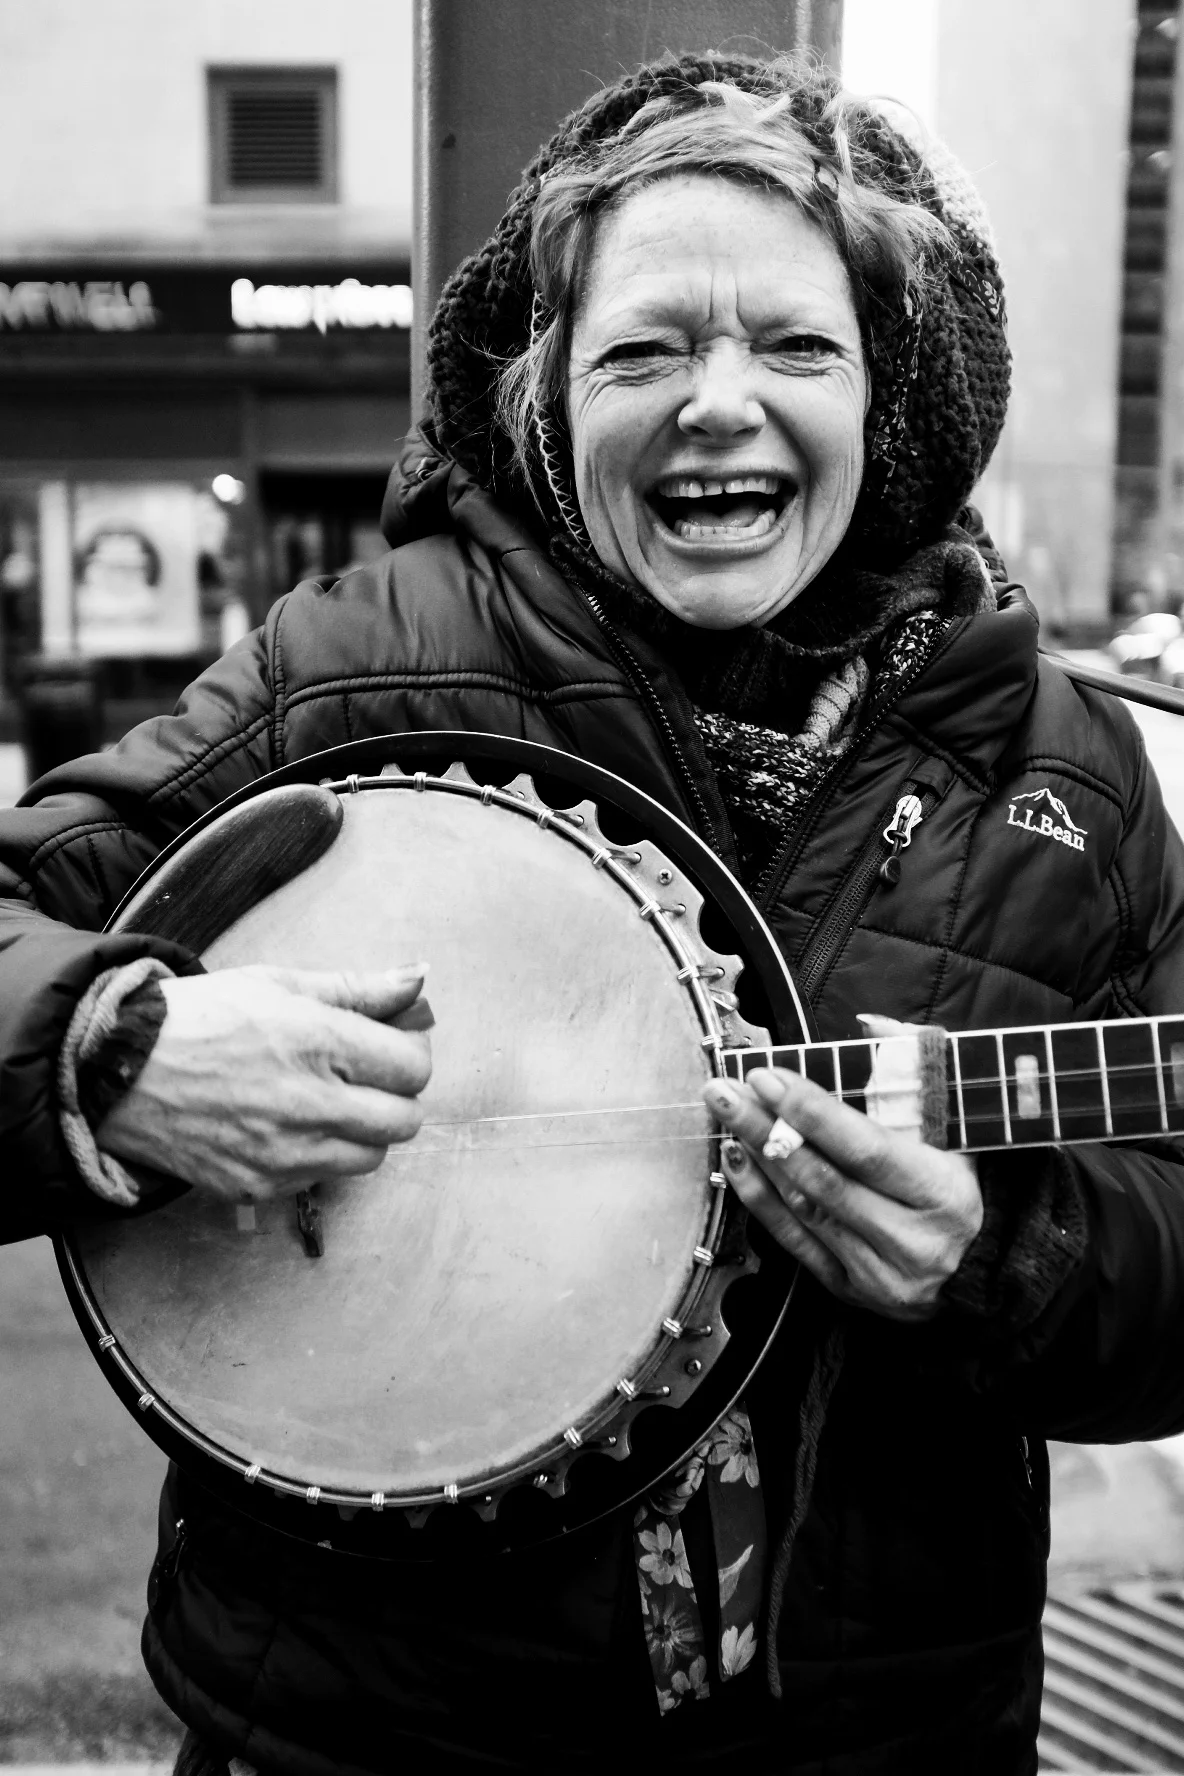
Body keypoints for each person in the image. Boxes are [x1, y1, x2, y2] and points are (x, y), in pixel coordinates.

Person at [4, 52, 1184, 1776]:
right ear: (550, 390)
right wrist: (112, 1052)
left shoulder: (1064, 772)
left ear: (893, 393)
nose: (721, 402)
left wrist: (998, 1259)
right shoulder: (355, 665)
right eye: (646, 348)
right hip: (368, 1742)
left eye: (795, 346)